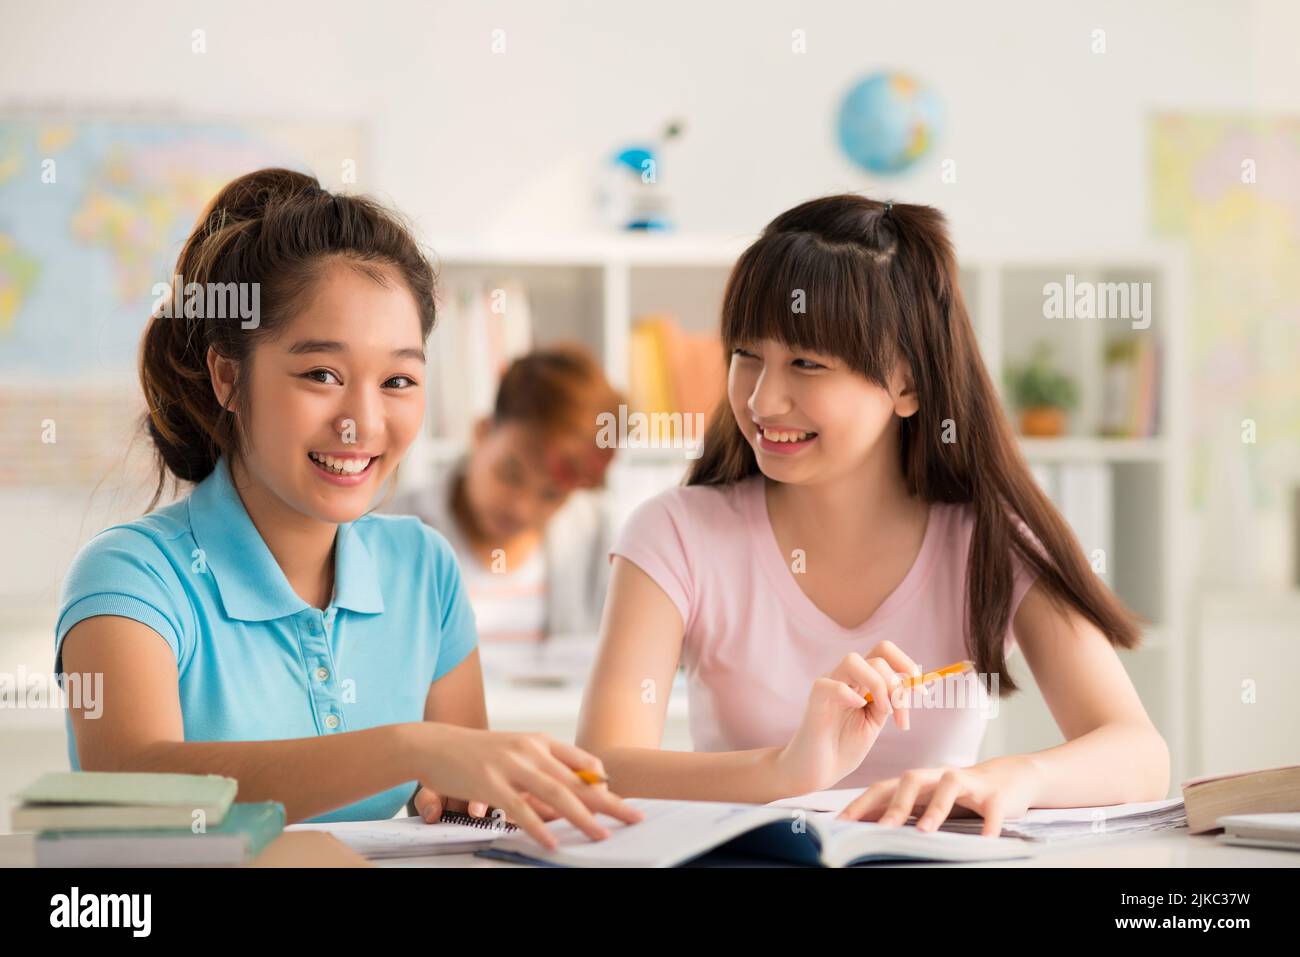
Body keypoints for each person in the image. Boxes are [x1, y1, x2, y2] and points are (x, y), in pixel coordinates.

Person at [55, 168, 641, 847]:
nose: (362, 421)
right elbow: (133, 786)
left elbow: (461, 805)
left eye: (398, 380)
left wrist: (465, 792)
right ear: (228, 377)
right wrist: (408, 749)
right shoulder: (129, 577)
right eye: (321, 375)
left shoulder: (422, 568)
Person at [576, 195, 1169, 837]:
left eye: (807, 363)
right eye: (746, 354)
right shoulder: (675, 534)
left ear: (908, 386)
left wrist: (1015, 778)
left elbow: (1138, 752)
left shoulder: (988, 540)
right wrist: (785, 770)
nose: (761, 398)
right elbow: (600, 767)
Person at [387, 344, 620, 642]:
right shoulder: (392, 525)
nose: (521, 508)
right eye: (510, 475)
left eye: (551, 494)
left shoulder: (599, 537)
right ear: (482, 432)